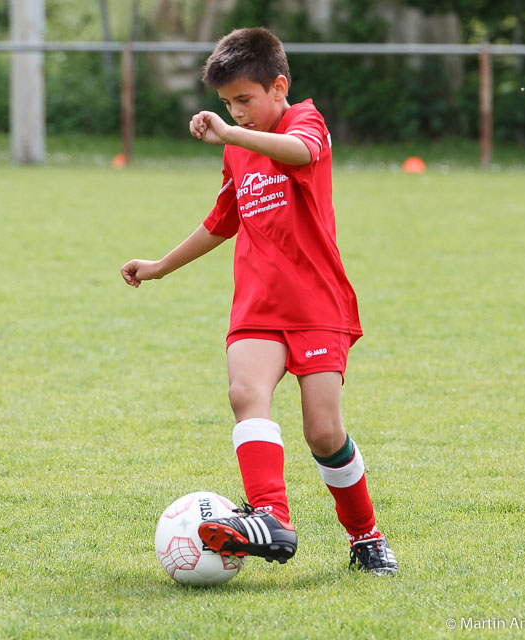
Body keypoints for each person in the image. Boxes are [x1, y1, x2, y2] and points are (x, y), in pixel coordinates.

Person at [121, 28, 398, 575]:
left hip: (318, 306)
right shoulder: (239, 151)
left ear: (279, 87)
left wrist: (232, 134)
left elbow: (300, 152)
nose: (238, 113)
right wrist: (159, 267)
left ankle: (365, 537)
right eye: (227, 104)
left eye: (244, 101)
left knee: (323, 433)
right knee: (245, 391)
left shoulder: (305, 122)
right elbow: (221, 223)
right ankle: (271, 516)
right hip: (256, 306)